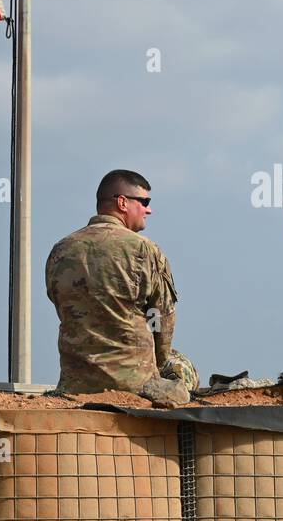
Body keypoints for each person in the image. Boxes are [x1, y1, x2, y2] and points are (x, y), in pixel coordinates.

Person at [45, 169, 198, 394]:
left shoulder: (60, 250)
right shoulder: (144, 250)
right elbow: (162, 318)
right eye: (145, 201)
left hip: (75, 384)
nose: (149, 209)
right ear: (123, 203)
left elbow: (62, 307)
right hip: (134, 385)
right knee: (182, 366)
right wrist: (157, 364)